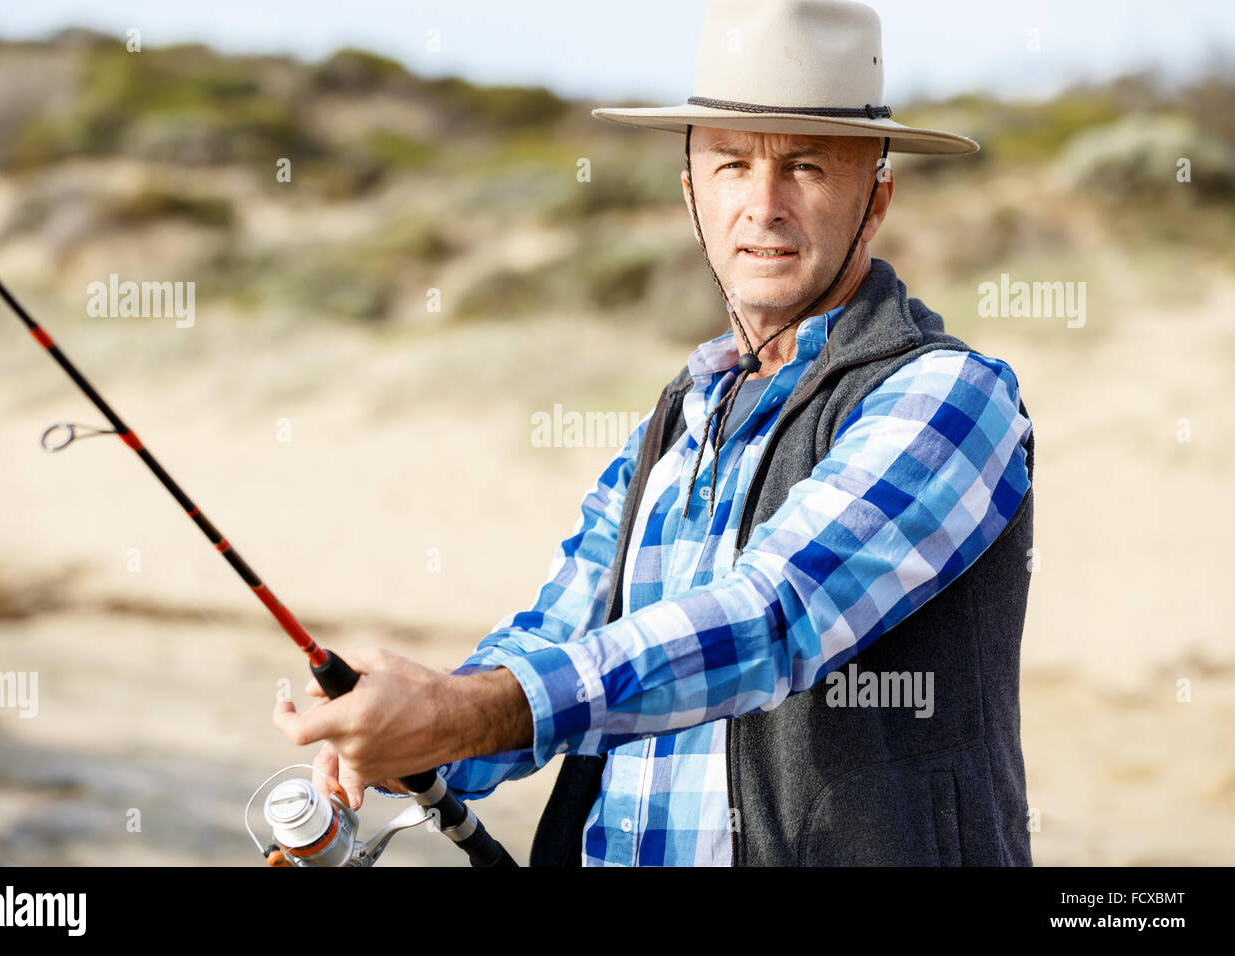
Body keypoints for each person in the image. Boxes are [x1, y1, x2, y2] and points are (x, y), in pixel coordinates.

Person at [275, 0, 1036, 867]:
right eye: (730, 164)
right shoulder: (680, 414)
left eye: (809, 166)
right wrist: (413, 733)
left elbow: (771, 621)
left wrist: (462, 712)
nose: (763, 205)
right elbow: (562, 634)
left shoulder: (951, 395)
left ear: (877, 198)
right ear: (691, 191)